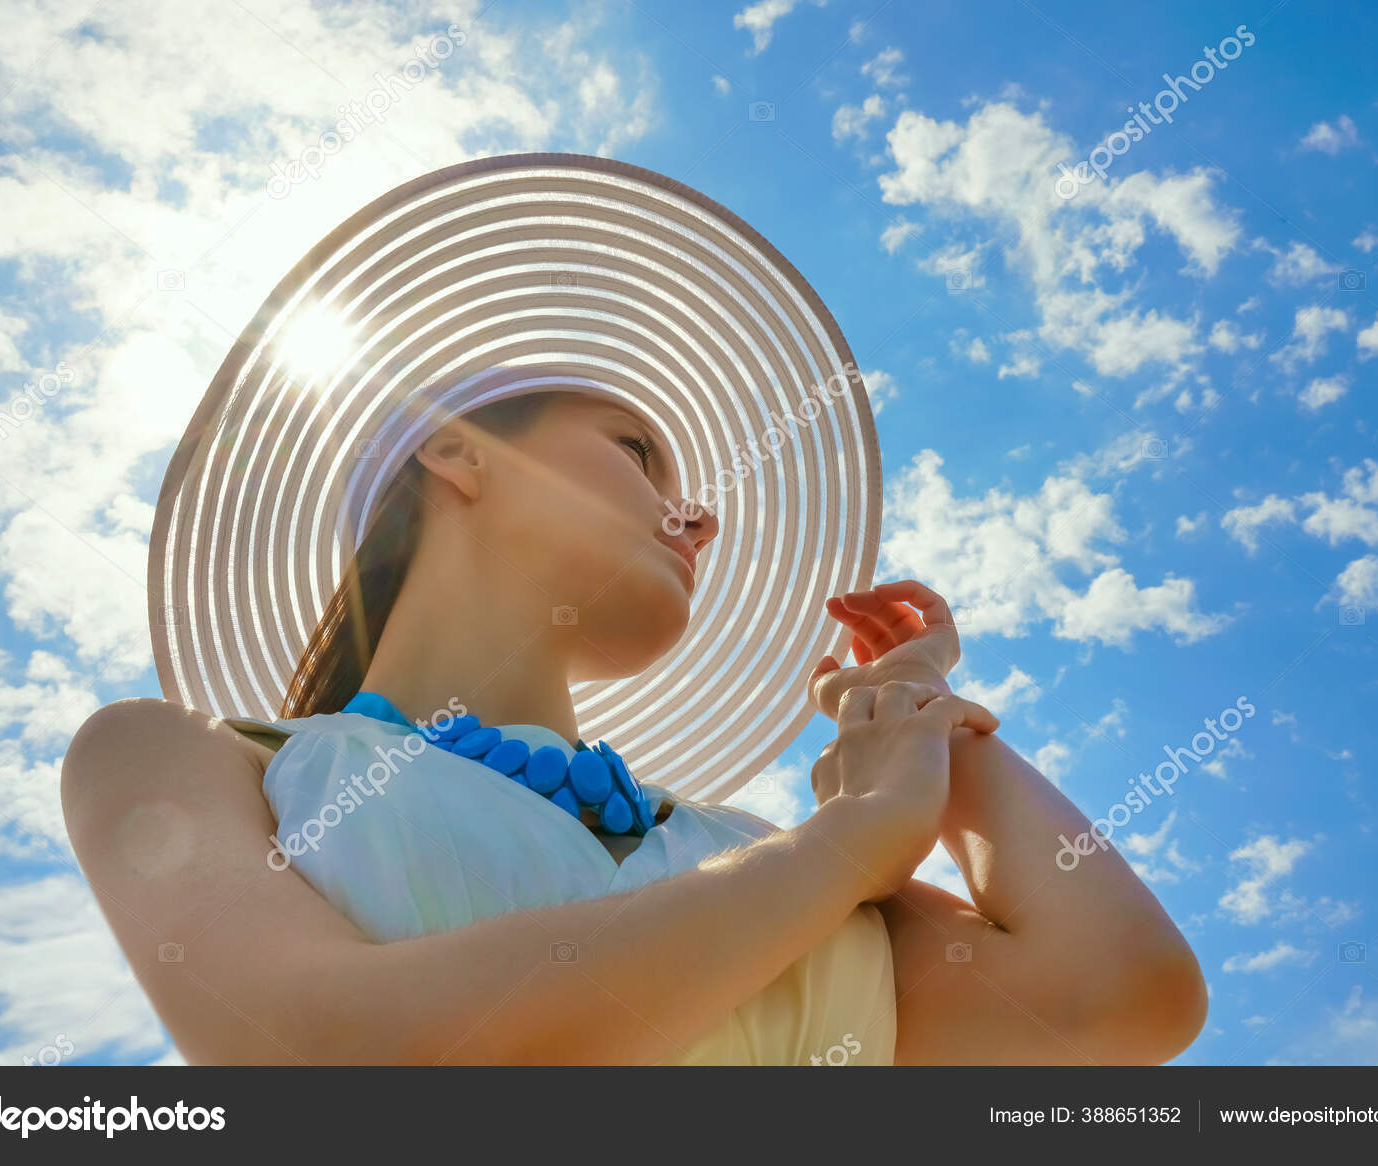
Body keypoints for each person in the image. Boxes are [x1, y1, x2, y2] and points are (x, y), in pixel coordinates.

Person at [60, 155, 1206, 1065]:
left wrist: (909, 707)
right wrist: (847, 844)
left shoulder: (744, 847)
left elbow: (1118, 1001)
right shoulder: (180, 760)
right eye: (637, 454)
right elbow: (331, 1062)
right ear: (455, 456)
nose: (693, 517)